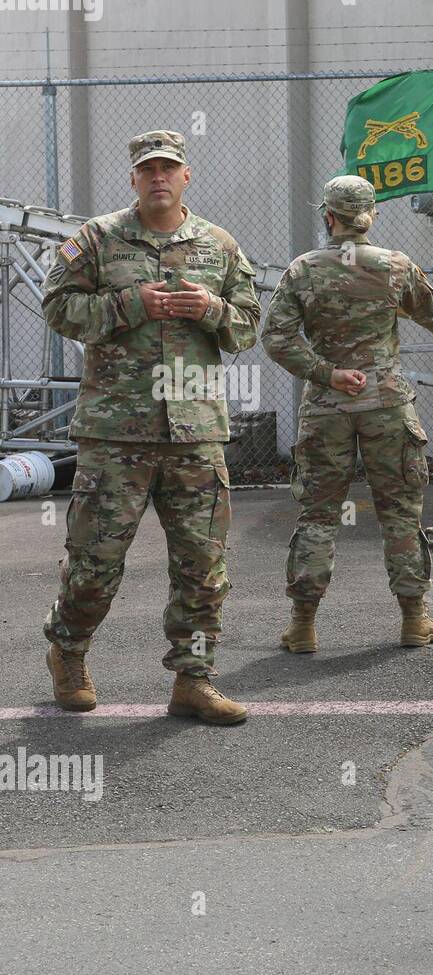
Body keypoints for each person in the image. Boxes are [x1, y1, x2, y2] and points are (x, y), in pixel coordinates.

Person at [42, 130, 260, 725]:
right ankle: (69, 651)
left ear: (186, 176)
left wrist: (210, 310)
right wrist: (129, 304)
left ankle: (193, 678)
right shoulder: (98, 239)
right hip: (117, 435)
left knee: (203, 564)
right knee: (95, 560)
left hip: (195, 435)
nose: (158, 177)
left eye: (169, 168)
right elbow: (57, 307)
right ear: (134, 178)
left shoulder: (217, 245)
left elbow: (248, 326)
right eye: (148, 169)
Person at [262, 175, 433, 651]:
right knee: (399, 512)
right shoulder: (396, 266)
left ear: (328, 218)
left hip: (327, 407)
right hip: (387, 404)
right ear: (369, 217)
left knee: (318, 515)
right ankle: (415, 620)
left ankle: (303, 626)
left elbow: (277, 338)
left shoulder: (303, 270)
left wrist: (325, 372)